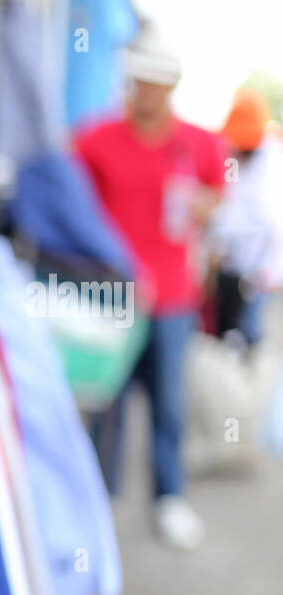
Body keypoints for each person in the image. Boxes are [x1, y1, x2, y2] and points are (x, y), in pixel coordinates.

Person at [75, 24, 226, 551]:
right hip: (112, 296)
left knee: (168, 404)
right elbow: (74, 207)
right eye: (139, 81)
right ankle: (98, 499)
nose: (146, 92)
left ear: (172, 87)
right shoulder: (96, 139)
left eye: (156, 83)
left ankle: (168, 498)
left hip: (173, 298)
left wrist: (206, 207)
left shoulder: (198, 144)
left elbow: (219, 195)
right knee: (105, 402)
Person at [207, 88, 283, 351]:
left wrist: (271, 272)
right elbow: (227, 207)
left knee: (257, 345)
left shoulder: (272, 162)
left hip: (263, 276)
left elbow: (272, 222)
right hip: (234, 268)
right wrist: (217, 246)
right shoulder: (232, 156)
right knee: (227, 338)